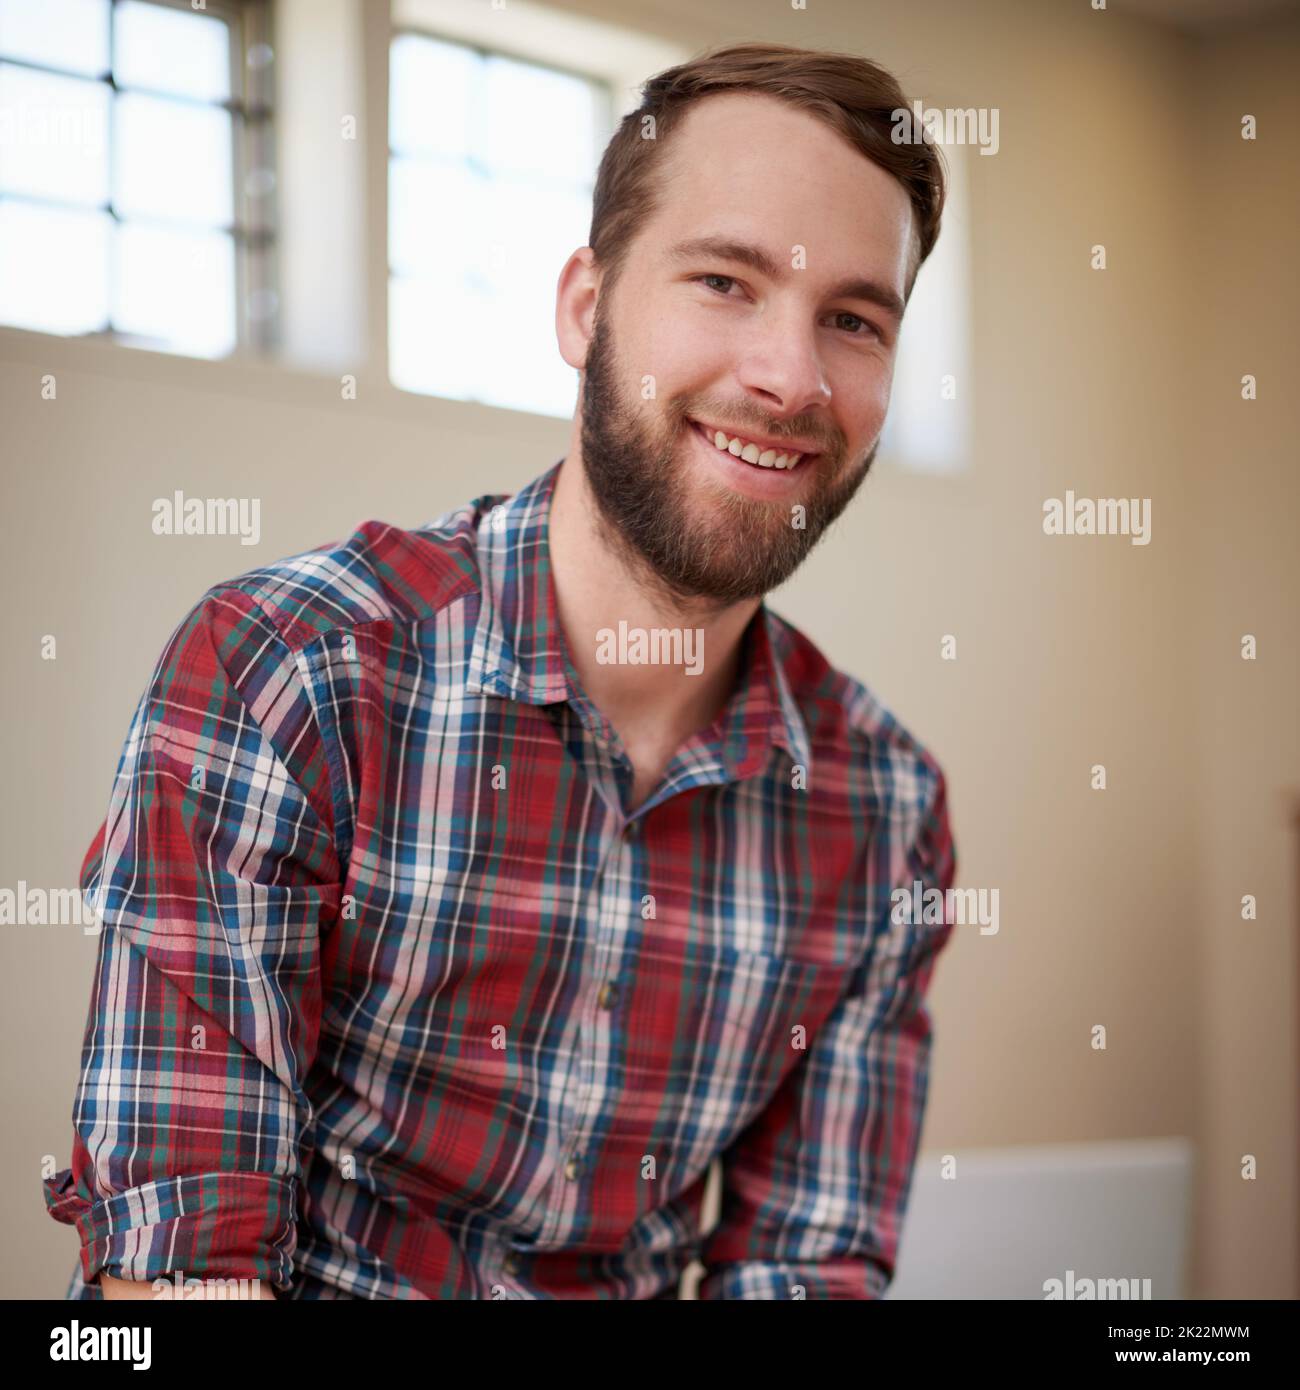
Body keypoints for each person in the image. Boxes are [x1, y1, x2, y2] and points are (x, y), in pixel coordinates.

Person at [44, 40, 956, 1300]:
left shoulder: (885, 811)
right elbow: (180, 1275)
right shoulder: (286, 675)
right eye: (724, 281)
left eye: (852, 320)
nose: (789, 378)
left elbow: (805, 1268)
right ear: (585, 307)